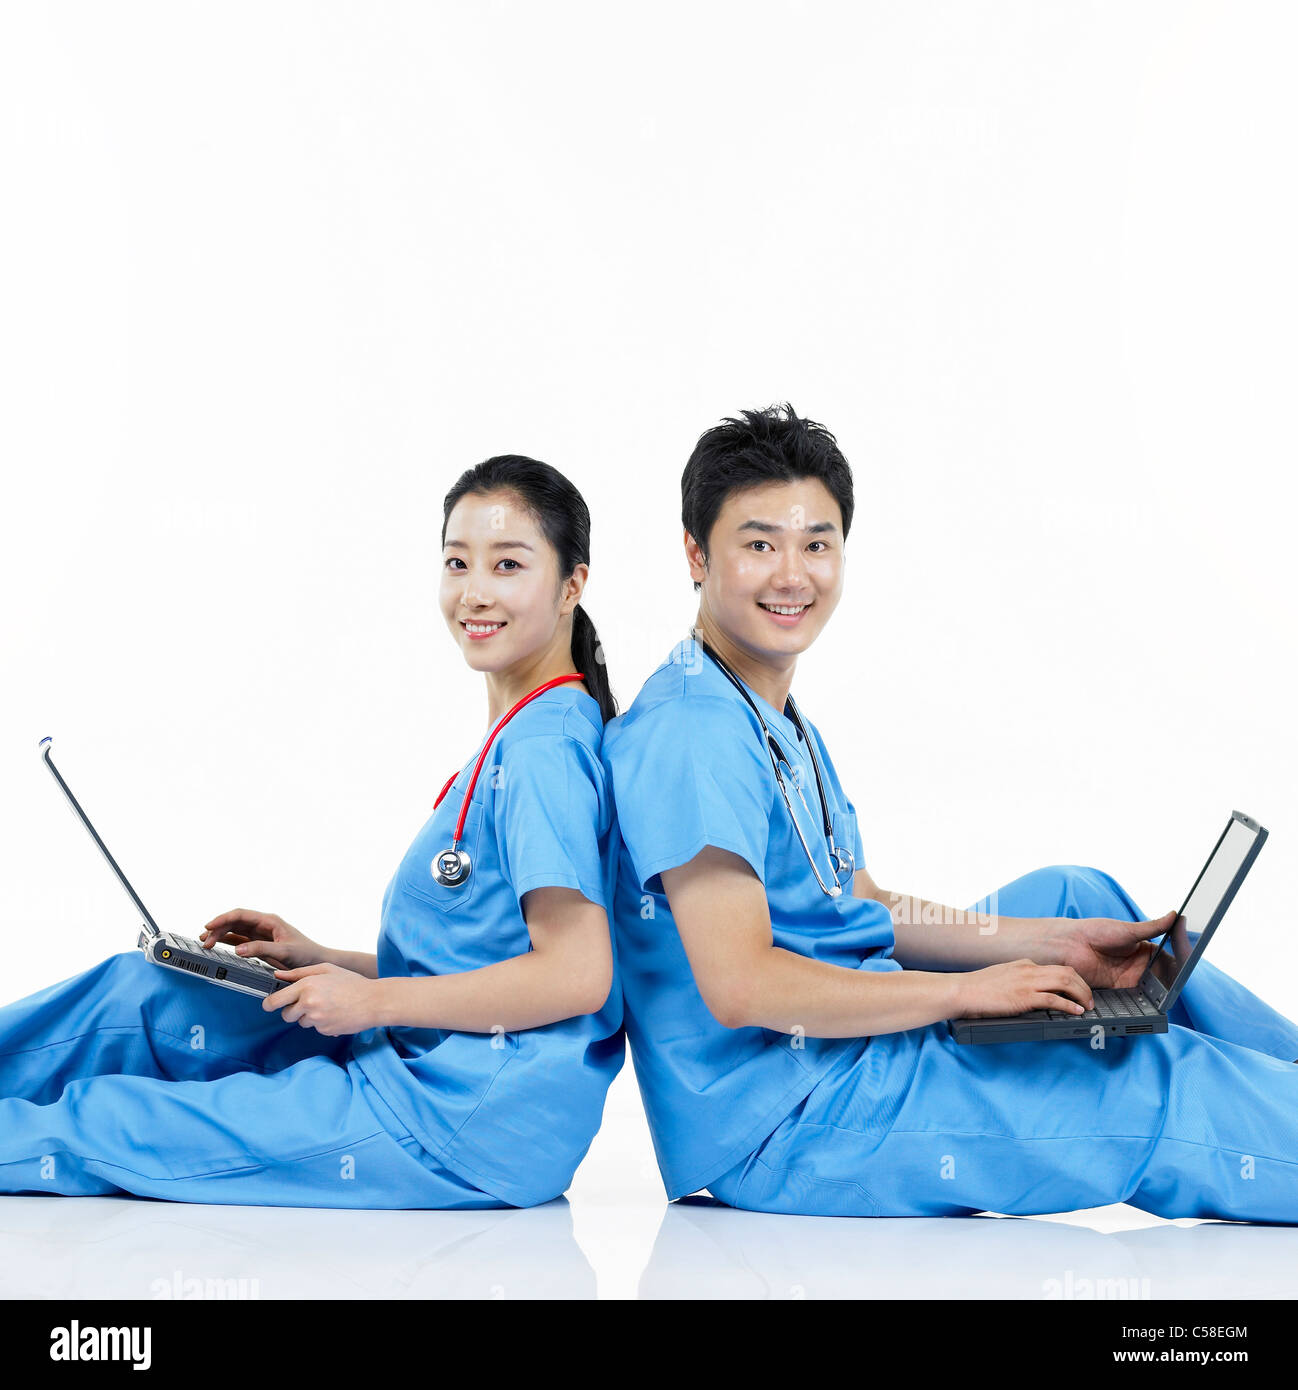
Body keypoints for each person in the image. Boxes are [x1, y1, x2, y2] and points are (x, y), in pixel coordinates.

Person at [602, 403, 1298, 1221]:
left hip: (840, 1032)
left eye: (816, 545)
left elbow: (855, 903)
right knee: (1146, 1079)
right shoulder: (691, 733)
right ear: (696, 554)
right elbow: (743, 987)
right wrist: (965, 994)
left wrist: (1050, 945)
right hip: (791, 1112)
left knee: (1079, 899)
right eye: (758, 545)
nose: (792, 575)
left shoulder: (764, 707)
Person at [0, 455, 623, 1209]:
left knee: (102, 1123)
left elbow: (578, 975)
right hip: (417, 1049)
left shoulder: (545, 754)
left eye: (508, 564)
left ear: (572, 586)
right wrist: (327, 962)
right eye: (457, 562)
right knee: (144, 989)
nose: (475, 592)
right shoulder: (525, 728)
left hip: (456, 1119)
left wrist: (373, 1004)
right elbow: (479, 954)